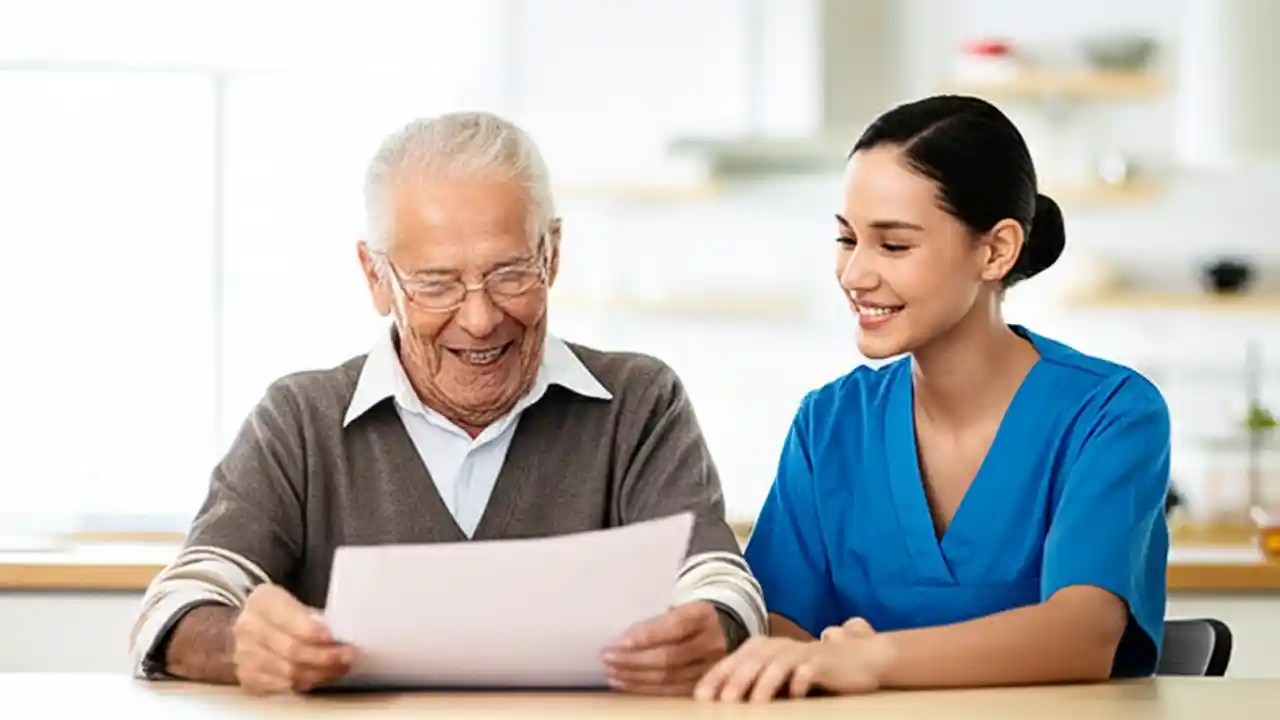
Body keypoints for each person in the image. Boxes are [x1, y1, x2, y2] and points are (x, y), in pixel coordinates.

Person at [129, 112, 765, 696]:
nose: (481, 318)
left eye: (511, 273)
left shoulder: (638, 403)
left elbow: (719, 580)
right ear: (376, 277)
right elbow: (178, 601)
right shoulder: (301, 418)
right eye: (436, 284)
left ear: (554, 254)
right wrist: (244, 646)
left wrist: (710, 629)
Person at [693, 95, 1170, 702]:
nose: (854, 274)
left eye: (893, 246)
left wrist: (876, 659)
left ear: (996, 250)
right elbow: (782, 627)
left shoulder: (1111, 413)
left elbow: (1083, 634)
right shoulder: (829, 424)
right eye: (847, 239)